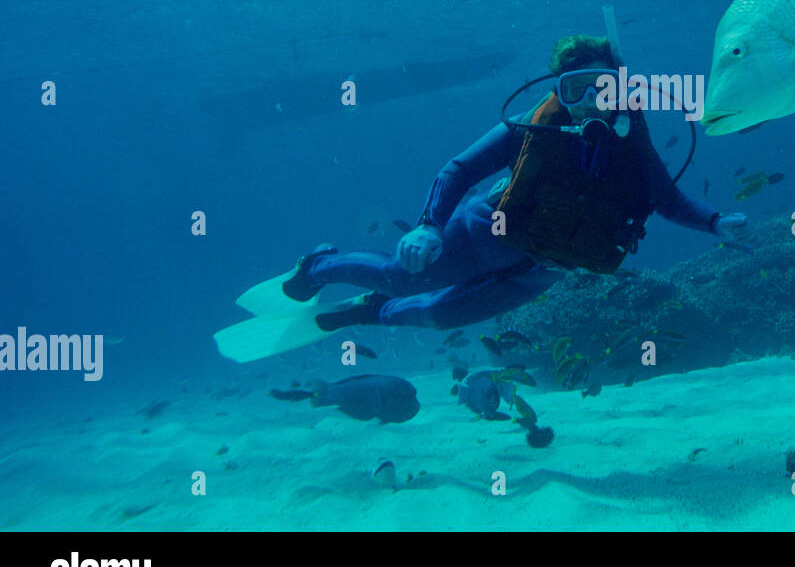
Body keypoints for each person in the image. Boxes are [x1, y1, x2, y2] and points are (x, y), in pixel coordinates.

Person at [219, 35, 746, 361]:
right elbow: (461, 168)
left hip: (543, 269)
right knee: (404, 276)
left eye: (601, 88)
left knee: (437, 318)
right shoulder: (533, 126)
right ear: (556, 89)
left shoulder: (635, 142)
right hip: (483, 236)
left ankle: (368, 313)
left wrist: (717, 221)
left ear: (621, 88)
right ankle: (319, 265)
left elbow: (669, 199)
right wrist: (427, 225)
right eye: (573, 88)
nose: (588, 101)